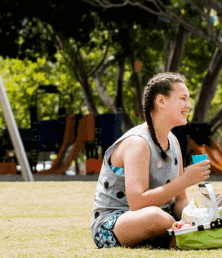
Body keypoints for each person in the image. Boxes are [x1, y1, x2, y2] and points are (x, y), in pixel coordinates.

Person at [91, 72, 213, 248]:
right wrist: (185, 180)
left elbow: (180, 201)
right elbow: (137, 202)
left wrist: (195, 216)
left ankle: (182, 235)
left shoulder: (173, 142)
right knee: (155, 217)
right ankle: (185, 236)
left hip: (164, 220)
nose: (189, 105)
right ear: (161, 101)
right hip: (113, 225)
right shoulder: (137, 143)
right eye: (183, 99)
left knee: (191, 214)